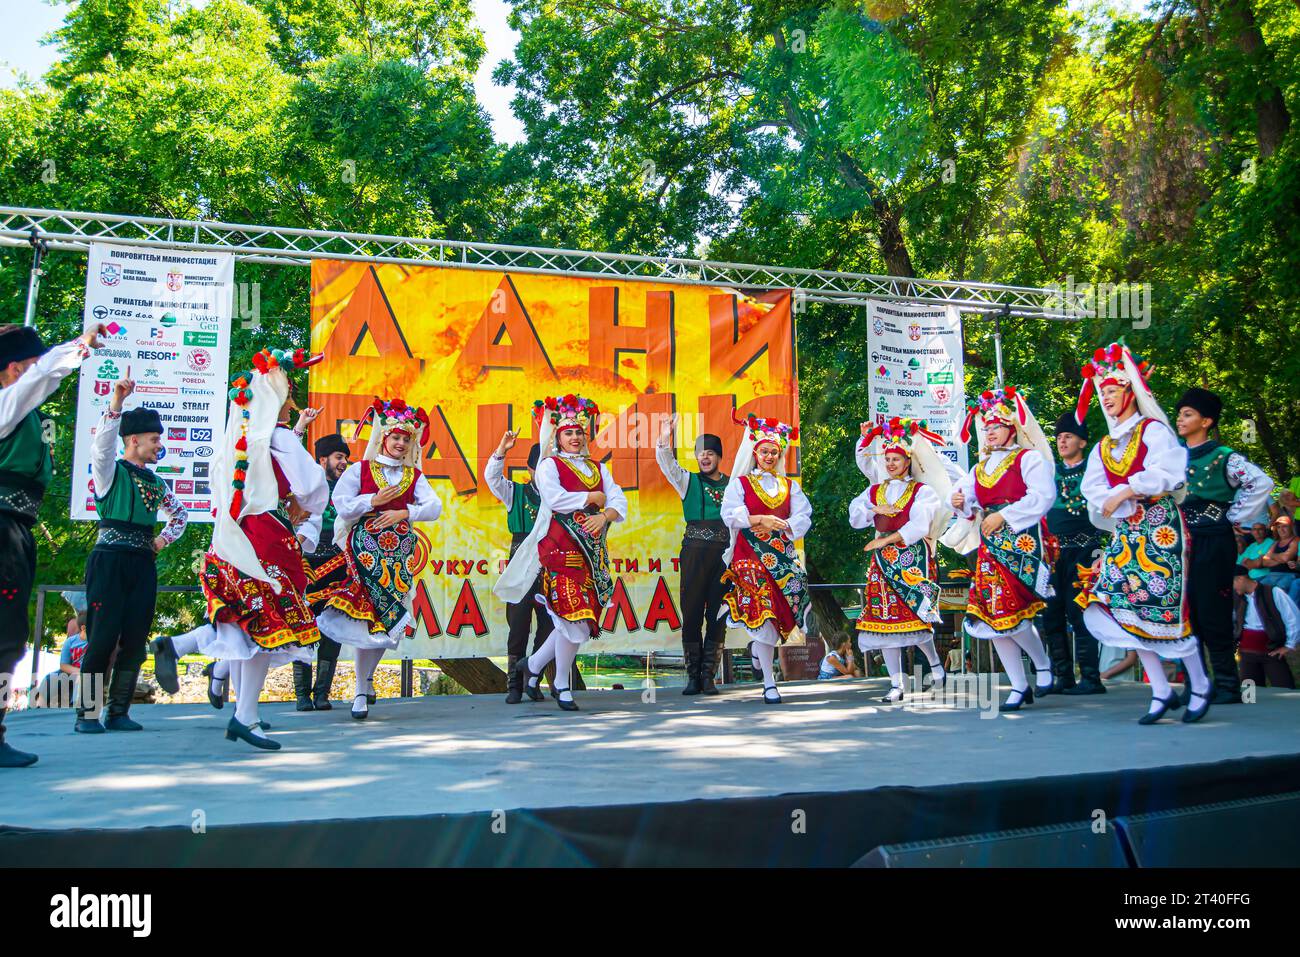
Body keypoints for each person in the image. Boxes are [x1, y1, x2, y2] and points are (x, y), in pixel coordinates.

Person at [157, 348, 328, 749]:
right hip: (267, 536)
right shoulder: (279, 437)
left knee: (251, 622)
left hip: (232, 534)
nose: (291, 404)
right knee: (266, 625)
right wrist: (305, 504)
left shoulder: (237, 440)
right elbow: (313, 483)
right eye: (287, 396)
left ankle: (227, 695)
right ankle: (241, 712)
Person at [1074, 340, 1212, 724]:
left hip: (1160, 530)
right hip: (1126, 534)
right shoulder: (1104, 444)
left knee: (1163, 608)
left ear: (1131, 391)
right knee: (1122, 608)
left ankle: (1199, 684)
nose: (1108, 398)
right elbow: (1092, 485)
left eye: (1114, 390)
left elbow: (1168, 472)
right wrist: (1113, 497)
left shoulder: (1153, 431)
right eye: (1103, 392)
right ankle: (1161, 690)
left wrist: (1126, 490)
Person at [0, 323, 103, 768]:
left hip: (16, 529)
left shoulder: (22, 413)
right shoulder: (6, 403)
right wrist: (79, 346)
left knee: (9, 638)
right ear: (13, 368)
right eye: (27, 366)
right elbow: (42, 376)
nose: (35, 375)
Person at [495, 395, 627, 711]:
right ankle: (561, 683)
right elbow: (555, 499)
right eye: (568, 432)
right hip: (559, 553)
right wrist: (590, 498)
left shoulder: (598, 468)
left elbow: (618, 500)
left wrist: (604, 515)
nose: (575, 437)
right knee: (575, 619)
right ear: (557, 436)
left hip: (591, 556)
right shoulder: (549, 466)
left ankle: (534, 666)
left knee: (574, 621)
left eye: (579, 432)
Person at [315, 398, 442, 719]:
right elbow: (342, 504)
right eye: (396, 438)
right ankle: (360, 689)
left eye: (406, 439)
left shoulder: (413, 476)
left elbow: (435, 507)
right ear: (383, 438)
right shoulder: (360, 470)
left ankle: (367, 680)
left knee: (389, 621)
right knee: (367, 619)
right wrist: (372, 499)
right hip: (365, 554)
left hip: (398, 558)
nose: (400, 444)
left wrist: (404, 510)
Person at [74, 376, 188, 733]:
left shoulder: (156, 482)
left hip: (142, 562)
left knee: (135, 638)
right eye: (154, 440)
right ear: (134, 440)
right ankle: (87, 714)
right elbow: (101, 448)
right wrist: (115, 405)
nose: (159, 446)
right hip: (109, 560)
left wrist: (162, 541)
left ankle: (119, 711)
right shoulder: (110, 473)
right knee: (102, 637)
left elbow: (180, 515)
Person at [948, 386, 1058, 712]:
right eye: (986, 427)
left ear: (1012, 427)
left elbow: (1043, 496)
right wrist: (959, 504)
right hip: (991, 546)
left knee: (1009, 611)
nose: (989, 432)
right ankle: (1019, 684)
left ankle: (1042, 664)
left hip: (1023, 541)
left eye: (995, 425)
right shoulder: (979, 469)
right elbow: (967, 504)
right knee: (989, 616)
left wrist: (1004, 515)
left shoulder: (1029, 458)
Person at [1174, 387, 1273, 705]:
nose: (1180, 419)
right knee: (1184, 611)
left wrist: (1232, 515)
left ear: (1206, 421)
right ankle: (1196, 684)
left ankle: (1228, 685)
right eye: (1180, 413)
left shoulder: (1224, 456)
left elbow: (1261, 482)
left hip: (1213, 540)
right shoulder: (1173, 456)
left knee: (1212, 609)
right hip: (1178, 542)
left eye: (1188, 414)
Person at [851, 417, 952, 702]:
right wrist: (873, 508)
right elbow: (856, 515)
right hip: (881, 563)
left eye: (896, 459)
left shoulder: (922, 491)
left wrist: (885, 539)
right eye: (888, 458)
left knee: (915, 618)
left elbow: (919, 525)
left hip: (912, 559)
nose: (891, 463)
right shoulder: (875, 490)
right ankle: (896, 684)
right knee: (884, 622)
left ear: (908, 461)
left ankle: (935, 665)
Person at [717, 412, 812, 704]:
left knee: (796, 586)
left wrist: (784, 525)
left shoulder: (788, 486)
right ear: (755, 453)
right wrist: (760, 518)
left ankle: (759, 652)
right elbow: (729, 514)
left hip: (781, 553)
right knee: (762, 608)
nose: (769, 456)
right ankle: (769, 682)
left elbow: (803, 515)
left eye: (774, 451)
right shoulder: (741, 484)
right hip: (750, 555)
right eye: (764, 451)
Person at [655, 415, 730, 695]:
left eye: (710, 453)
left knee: (718, 614)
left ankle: (709, 676)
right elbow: (665, 462)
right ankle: (692, 677)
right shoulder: (687, 481)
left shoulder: (733, 485)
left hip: (723, 557)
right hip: (694, 555)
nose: (705, 458)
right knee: (692, 613)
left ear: (719, 457)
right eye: (701, 453)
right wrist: (665, 434)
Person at [1039, 413, 1107, 695]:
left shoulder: (1093, 471)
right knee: (1051, 613)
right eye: (1059, 437)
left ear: (1082, 441)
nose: (1062, 441)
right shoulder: (1048, 473)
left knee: (1081, 611)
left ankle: (1091, 678)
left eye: (1068, 436)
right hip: (1054, 553)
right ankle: (1062, 676)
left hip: (1085, 550)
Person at [486, 432, 555, 704]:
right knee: (518, 625)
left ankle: (533, 679)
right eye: (540, 468)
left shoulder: (559, 498)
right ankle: (513, 684)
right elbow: (492, 479)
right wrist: (501, 450)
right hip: (522, 566)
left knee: (550, 625)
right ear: (530, 470)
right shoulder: (515, 492)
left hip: (551, 566)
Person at [293, 433, 352, 711]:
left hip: (338, 564)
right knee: (304, 626)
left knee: (332, 628)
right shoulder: (307, 488)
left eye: (346, 458)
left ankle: (322, 693)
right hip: (307, 563)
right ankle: (302, 694)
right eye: (339, 457)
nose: (344, 463)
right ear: (323, 459)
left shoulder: (349, 489)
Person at [1232, 564, 1299, 689]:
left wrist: (1289, 645)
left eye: (1232, 583)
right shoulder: (1237, 598)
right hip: (1247, 653)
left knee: (1284, 688)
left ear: (1240, 579)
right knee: (1249, 693)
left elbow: (1293, 618)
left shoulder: (1273, 592)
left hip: (1271, 650)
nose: (1232, 588)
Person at [1256, 516, 1300, 605]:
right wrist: (1281, 558)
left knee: (1279, 591)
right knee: (1258, 590)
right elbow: (1264, 562)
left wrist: (1271, 556)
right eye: (1279, 527)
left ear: (1291, 527)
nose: (1281, 529)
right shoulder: (1276, 542)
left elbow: (1285, 558)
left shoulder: (1296, 540)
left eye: (1284, 526)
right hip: (1272, 575)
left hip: (1288, 574)